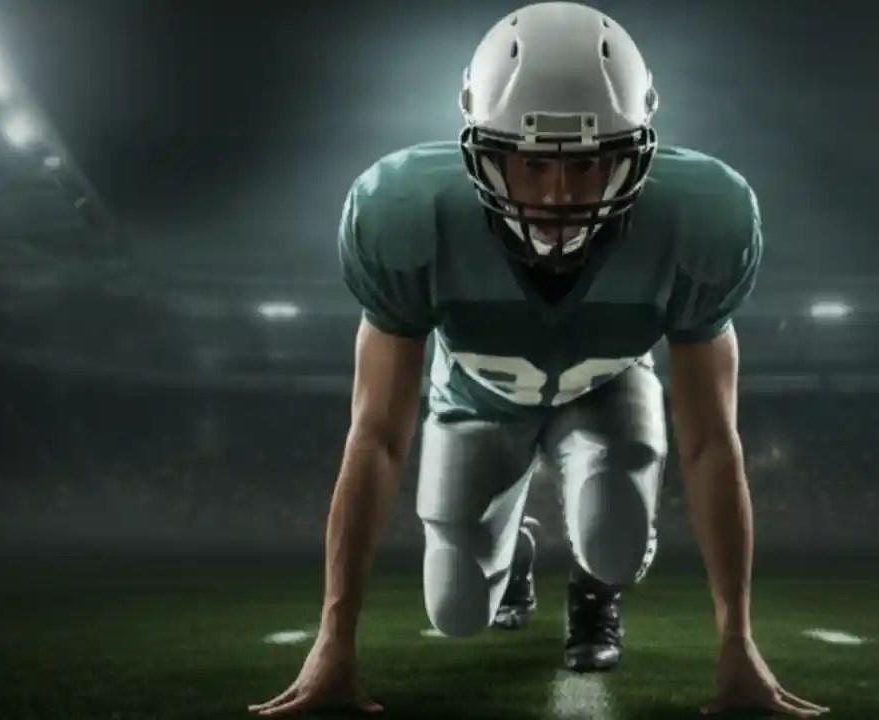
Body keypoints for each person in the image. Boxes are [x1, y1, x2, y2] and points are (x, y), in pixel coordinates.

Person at [250, 2, 829, 716]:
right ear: (483, 150)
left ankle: (595, 586)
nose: (557, 195)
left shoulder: (701, 222)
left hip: (609, 387)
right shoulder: (402, 215)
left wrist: (737, 641)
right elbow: (375, 438)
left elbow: (712, 443)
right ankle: (516, 553)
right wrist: (333, 637)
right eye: (529, 164)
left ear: (633, 152)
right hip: (476, 400)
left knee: (616, 542)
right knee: (458, 609)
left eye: (587, 164)